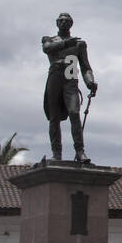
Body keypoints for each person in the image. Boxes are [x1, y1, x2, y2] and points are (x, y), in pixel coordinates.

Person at [41, 12, 98, 161]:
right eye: (61, 20)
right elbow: (47, 48)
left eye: (67, 21)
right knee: (54, 118)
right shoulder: (50, 40)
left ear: (71, 24)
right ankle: (56, 154)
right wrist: (66, 44)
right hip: (55, 77)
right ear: (57, 23)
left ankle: (80, 151)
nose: (64, 23)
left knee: (74, 113)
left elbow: (85, 66)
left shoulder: (79, 44)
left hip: (70, 78)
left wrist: (90, 81)